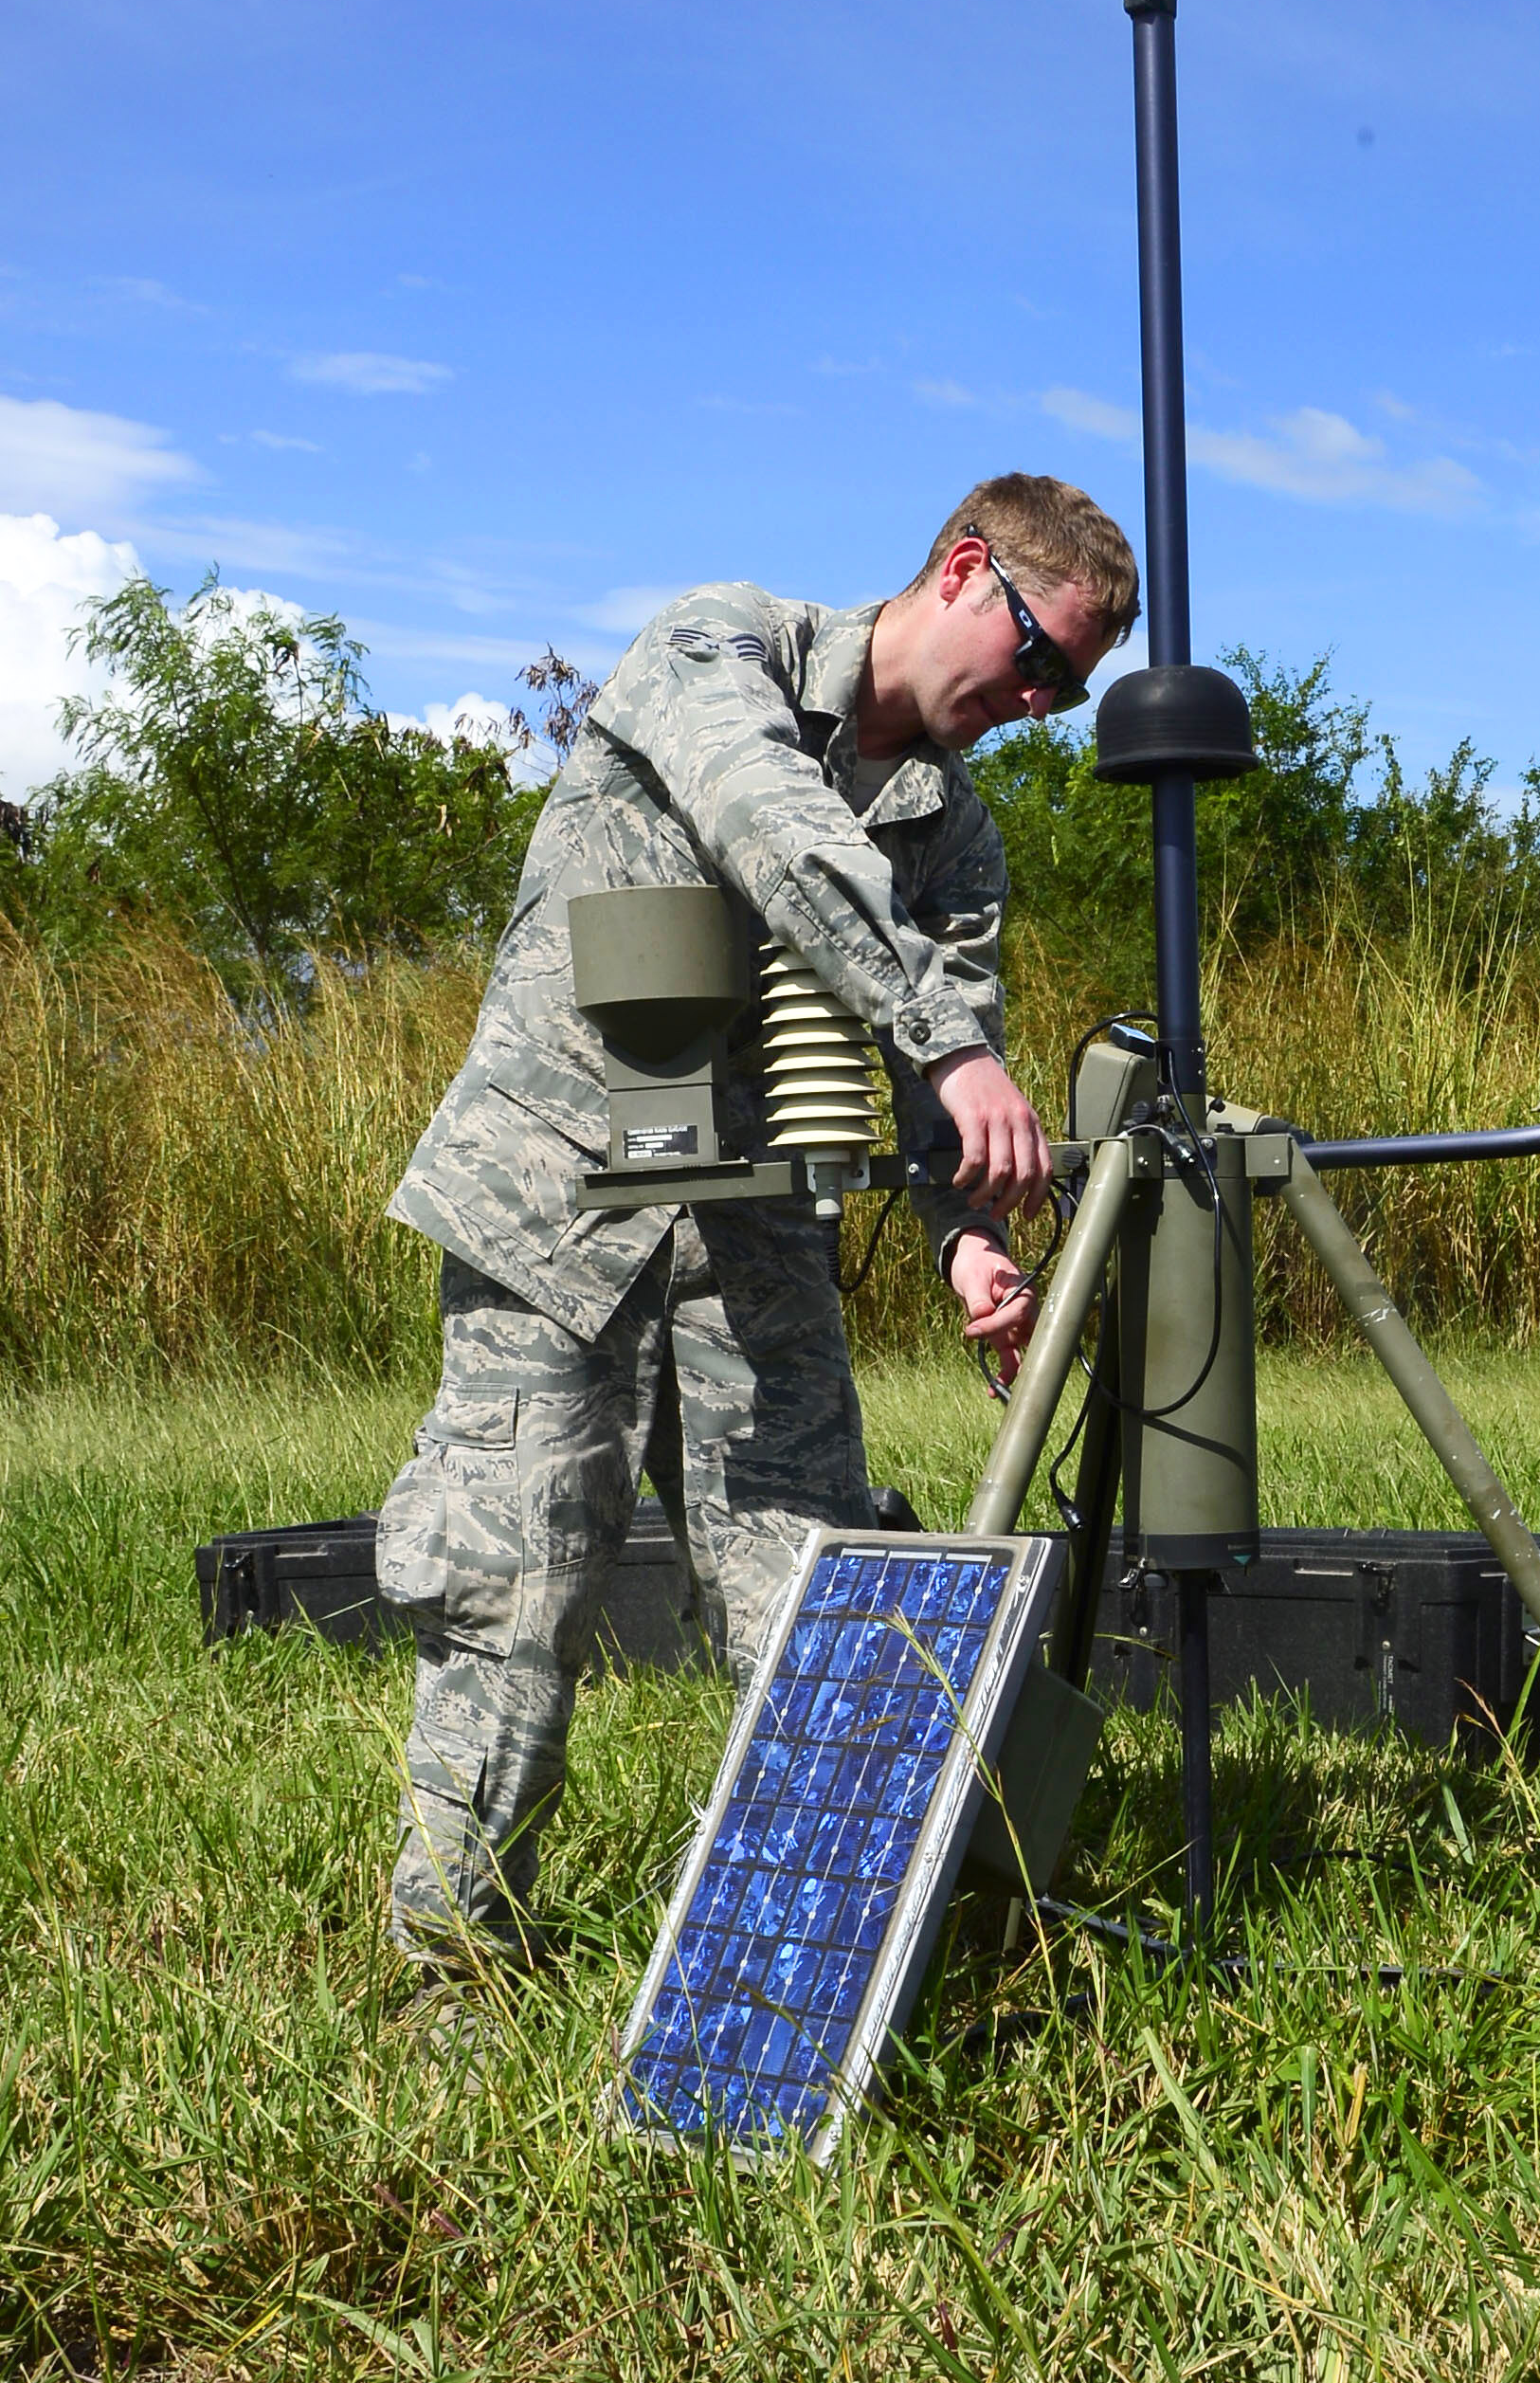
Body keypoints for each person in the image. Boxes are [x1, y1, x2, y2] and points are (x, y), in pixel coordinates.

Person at [373, 472, 1138, 1966]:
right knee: (513, 1582)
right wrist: (942, 1033)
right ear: (967, 570)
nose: (1041, 702)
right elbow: (777, 829)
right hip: (556, 1198)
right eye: (1041, 657)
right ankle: (451, 1968)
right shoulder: (719, 648)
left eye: (1073, 688)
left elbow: (947, 1096)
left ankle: (816, 1961)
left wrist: (970, 1236)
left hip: (761, 1240)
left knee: (807, 1589)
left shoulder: (956, 838)